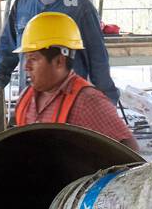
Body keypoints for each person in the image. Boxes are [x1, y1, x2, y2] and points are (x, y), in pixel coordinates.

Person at [0, 0, 119, 105]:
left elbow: (98, 60)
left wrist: (107, 103)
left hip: (69, 103)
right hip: (31, 100)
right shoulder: (23, 3)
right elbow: (8, 45)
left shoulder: (81, 10)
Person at [9, 12, 137, 150]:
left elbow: (130, 150)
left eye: (33, 59)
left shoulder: (88, 102)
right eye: (26, 58)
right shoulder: (25, 99)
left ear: (59, 61)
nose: (26, 66)